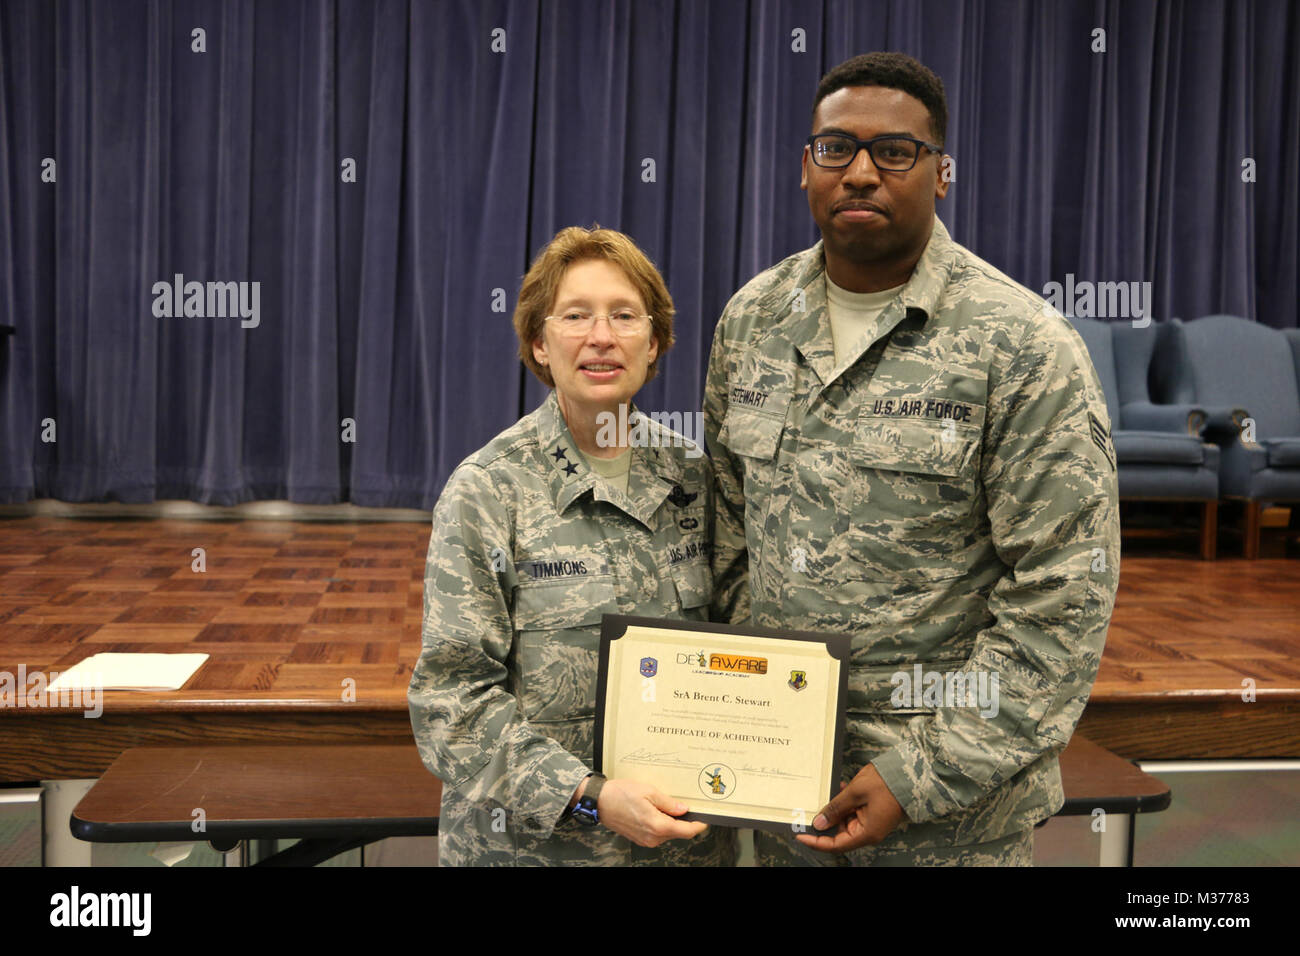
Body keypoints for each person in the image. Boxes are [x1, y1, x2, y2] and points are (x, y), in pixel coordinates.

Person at [704, 52, 1121, 866]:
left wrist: (917, 774)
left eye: (894, 152)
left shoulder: (1021, 345)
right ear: (805, 168)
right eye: (836, 149)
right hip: (788, 789)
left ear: (941, 174)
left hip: (949, 818)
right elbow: (728, 540)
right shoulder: (751, 321)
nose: (860, 172)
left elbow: (1064, 601)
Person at [409, 226, 736, 866]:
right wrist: (589, 795)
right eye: (576, 316)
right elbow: (452, 704)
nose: (601, 337)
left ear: (655, 342)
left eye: (624, 315)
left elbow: (741, 646)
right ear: (539, 341)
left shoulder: (696, 480)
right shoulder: (487, 492)